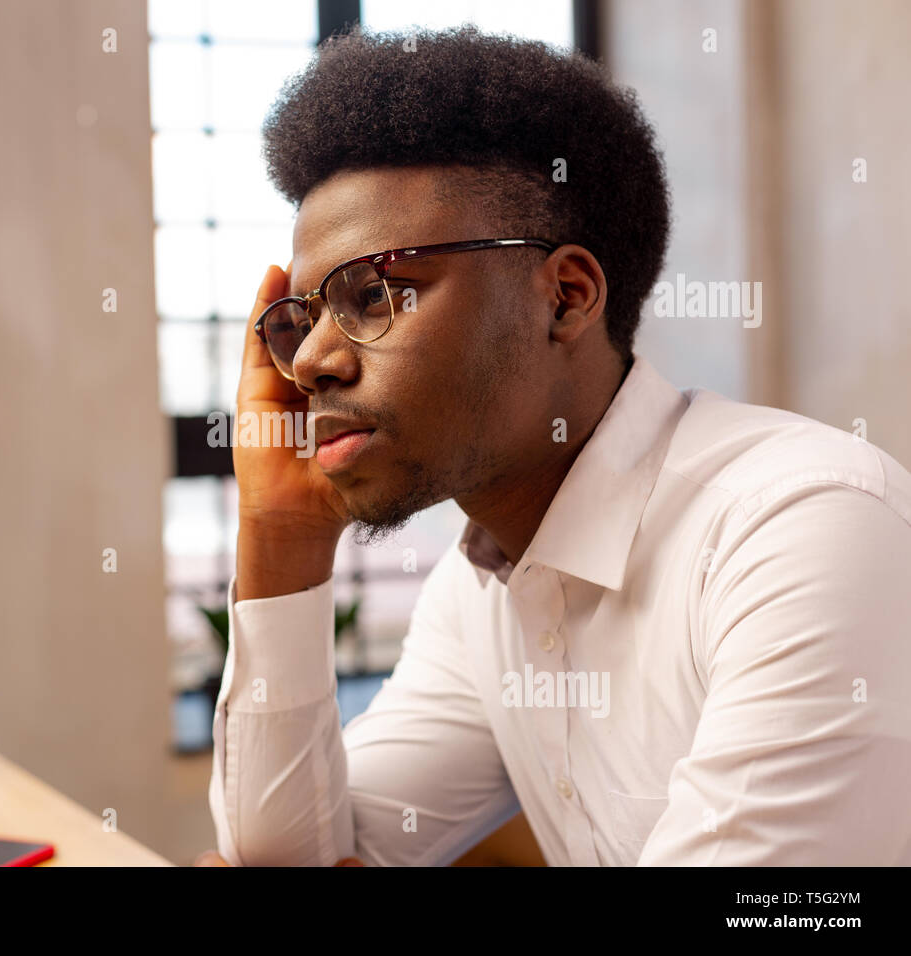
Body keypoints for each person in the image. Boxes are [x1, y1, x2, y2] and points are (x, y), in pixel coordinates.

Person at [200, 26, 911, 866]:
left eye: (379, 291)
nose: (314, 359)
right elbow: (290, 860)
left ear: (566, 297)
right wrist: (281, 538)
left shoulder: (799, 527)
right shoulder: (484, 590)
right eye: (305, 315)